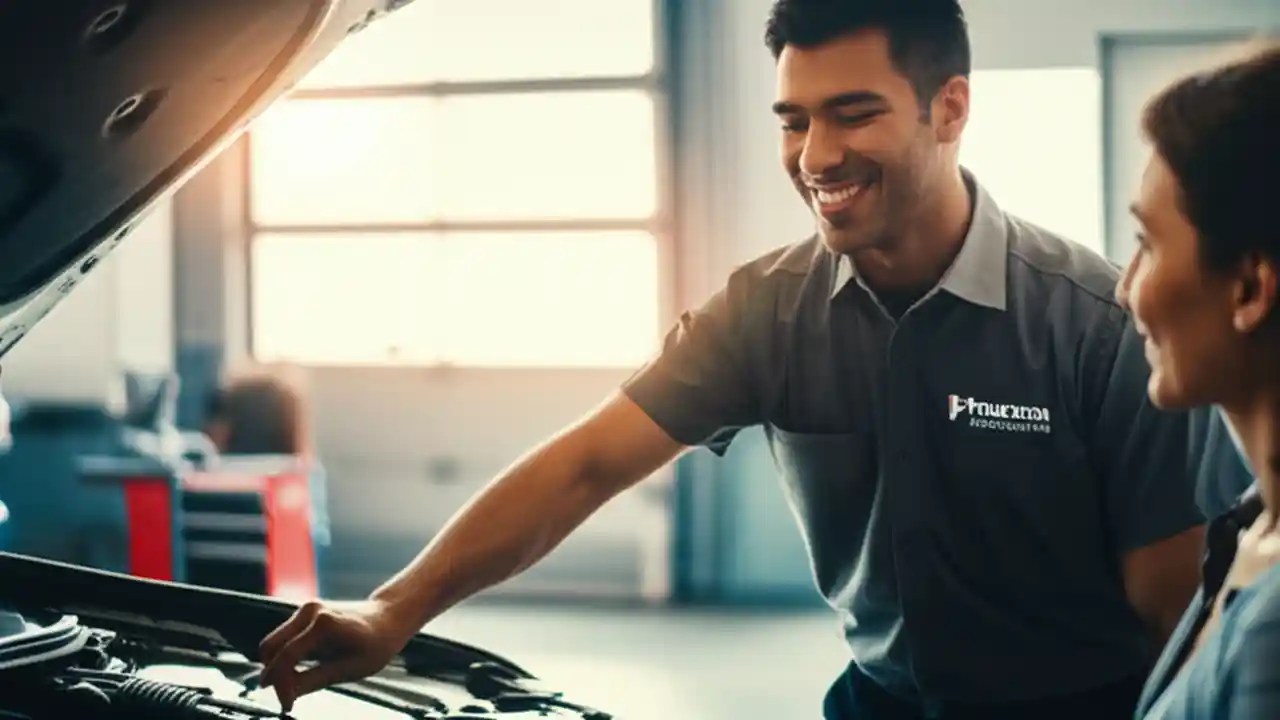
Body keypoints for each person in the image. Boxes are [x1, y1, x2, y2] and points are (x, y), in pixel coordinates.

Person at [257, 1, 1242, 717]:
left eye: (852, 113)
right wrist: (394, 608)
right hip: (875, 704)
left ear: (948, 110)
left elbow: (1168, 611)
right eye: (793, 119)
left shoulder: (1093, 325)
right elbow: (587, 464)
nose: (815, 155)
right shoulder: (765, 311)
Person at [1116, 43, 1280, 720]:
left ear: (1249, 287)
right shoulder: (1250, 519)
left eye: (1147, 244)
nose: (1126, 290)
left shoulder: (1274, 635)